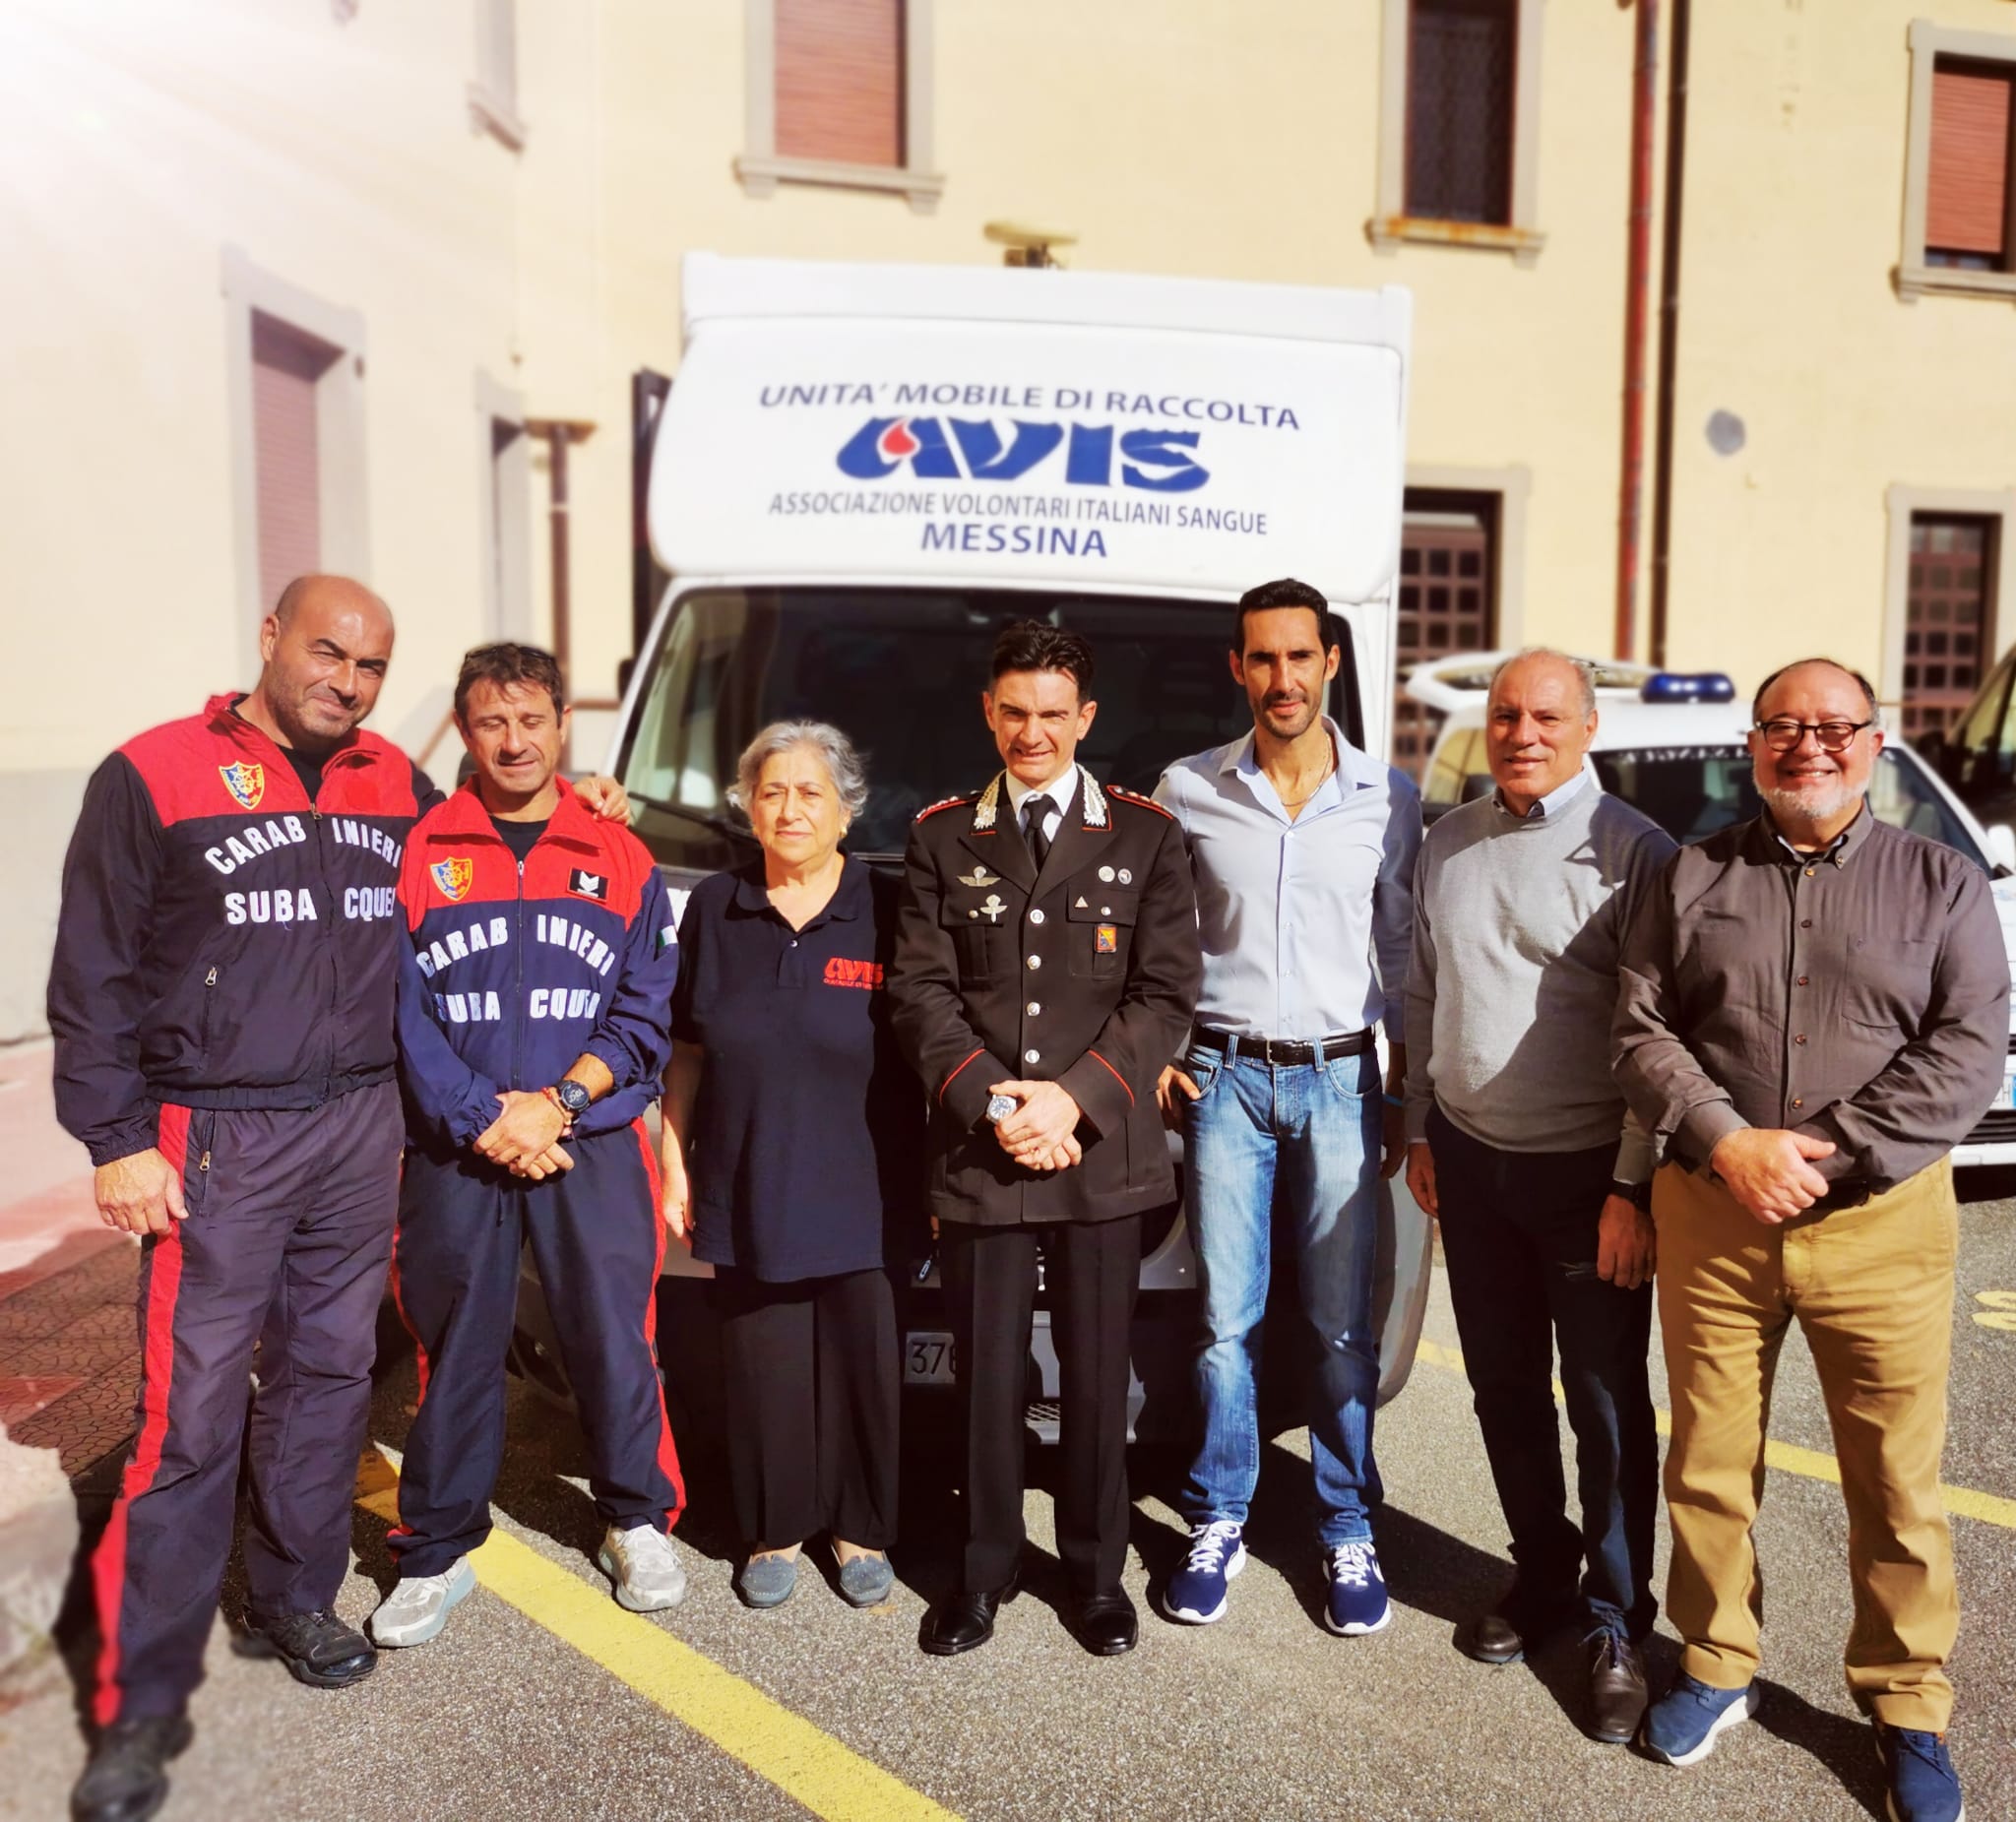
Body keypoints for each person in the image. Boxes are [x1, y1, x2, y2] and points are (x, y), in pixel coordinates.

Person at [47, 579, 629, 1822]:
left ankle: (294, 1598)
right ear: (270, 639)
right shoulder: (152, 774)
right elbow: (91, 971)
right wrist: (113, 1138)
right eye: (328, 652)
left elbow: (496, 826)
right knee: (187, 1411)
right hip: (215, 1129)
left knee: (326, 1378)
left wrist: (589, 806)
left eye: (370, 665)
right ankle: (143, 1693)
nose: (348, 681)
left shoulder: (393, 787)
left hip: (362, 1125)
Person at [1613, 658, 2006, 1820]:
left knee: (1892, 1479)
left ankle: (1903, 1704)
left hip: (1878, 1227)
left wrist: (1819, 1148)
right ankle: (1717, 1660)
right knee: (1706, 1460)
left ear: (1872, 744)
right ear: (1754, 745)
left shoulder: (1940, 881)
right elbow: (1638, 1028)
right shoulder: (1688, 875)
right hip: (1713, 1216)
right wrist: (1727, 1140)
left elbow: (1965, 1050)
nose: (1807, 747)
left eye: (1831, 727)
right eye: (1783, 727)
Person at [888, 620, 1200, 1658]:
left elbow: (1164, 994)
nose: (1033, 733)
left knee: (1096, 1372)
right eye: (1014, 712)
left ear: (1086, 719)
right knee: (986, 1379)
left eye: (1052, 715)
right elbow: (919, 991)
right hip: (983, 1151)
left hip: (1100, 1153)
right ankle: (979, 1574)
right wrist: (995, 1103)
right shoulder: (939, 837)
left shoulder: (1146, 836)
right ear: (988, 711)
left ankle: (1094, 1575)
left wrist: (1071, 1103)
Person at [368, 643, 685, 1649]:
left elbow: (644, 1012)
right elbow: (402, 1013)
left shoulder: (616, 850)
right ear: (466, 731)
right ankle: (435, 1547)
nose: (514, 740)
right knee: (455, 1343)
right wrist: (485, 1116)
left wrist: (552, 1103)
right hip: (460, 1149)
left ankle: (636, 1518)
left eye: (532, 720)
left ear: (561, 725)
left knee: (611, 1336)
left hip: (582, 1141)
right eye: (491, 722)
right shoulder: (421, 850)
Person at [1402, 650, 1671, 1743]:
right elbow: (1423, 989)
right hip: (1468, 1162)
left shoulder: (1636, 857)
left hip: (1583, 1176)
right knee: (1502, 1389)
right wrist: (1421, 1124)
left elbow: (1661, 1036)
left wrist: (1629, 1188)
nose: (1521, 732)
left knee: (1604, 1403)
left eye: (1545, 715)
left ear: (1587, 725)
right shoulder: (1448, 843)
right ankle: (1542, 1573)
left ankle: (1615, 1617)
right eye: (1505, 714)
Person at [1151, 578, 1418, 1639]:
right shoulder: (1186, 790)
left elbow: (1403, 955)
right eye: (1260, 659)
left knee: (1339, 1327)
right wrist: (1169, 1047)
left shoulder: (1385, 799)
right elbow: (1158, 939)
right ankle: (1218, 1514)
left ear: (1328, 665)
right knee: (1225, 1325)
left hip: (1343, 1080)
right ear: (1237, 669)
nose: (1280, 679)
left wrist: (1406, 1090)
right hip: (1222, 1081)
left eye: (1297, 657)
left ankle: (1345, 1522)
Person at [661, 722, 920, 1610]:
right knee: (764, 1362)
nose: (790, 808)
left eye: (811, 792)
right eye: (771, 791)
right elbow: (686, 1049)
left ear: (848, 808)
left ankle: (860, 1527)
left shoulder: (888, 907)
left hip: (867, 1180)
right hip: (749, 1172)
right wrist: (676, 1159)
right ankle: (774, 1527)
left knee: (861, 1364)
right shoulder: (714, 908)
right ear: (747, 806)